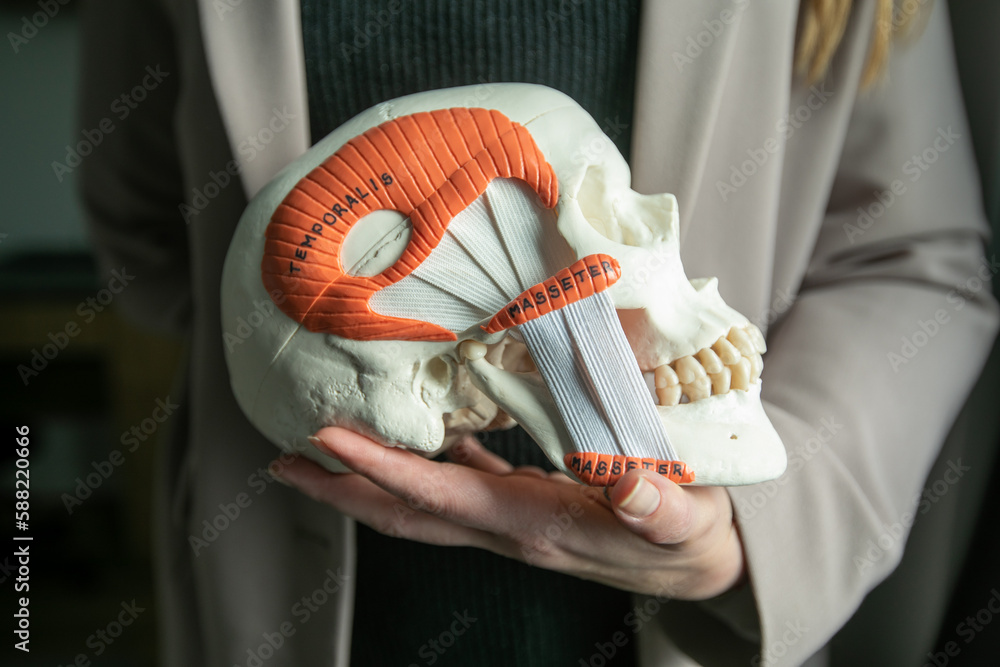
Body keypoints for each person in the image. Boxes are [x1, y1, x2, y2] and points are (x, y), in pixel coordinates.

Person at [79, 1, 998, 665]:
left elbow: (908, 255)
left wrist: (756, 540)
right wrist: (302, 367)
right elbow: (148, 225)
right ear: (438, 388)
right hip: (293, 594)